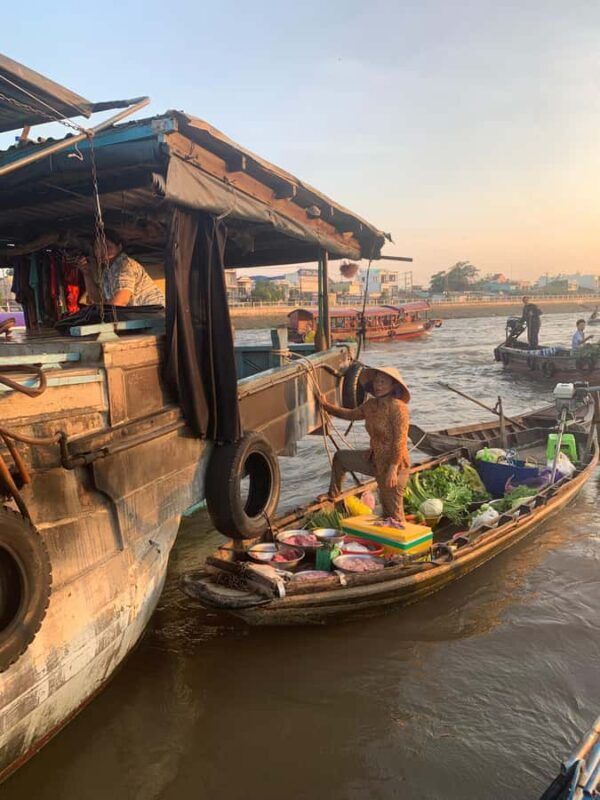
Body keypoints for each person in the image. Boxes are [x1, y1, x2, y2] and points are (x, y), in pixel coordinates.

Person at [317, 366, 411, 523]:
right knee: (340, 458)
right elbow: (349, 414)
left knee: (393, 517)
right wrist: (326, 406)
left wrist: (393, 469)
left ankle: (402, 547)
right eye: (376, 381)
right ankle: (333, 494)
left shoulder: (398, 408)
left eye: (383, 382)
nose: (378, 385)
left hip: (393, 467)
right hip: (374, 460)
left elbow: (400, 441)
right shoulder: (370, 405)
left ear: (393, 386)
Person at [76, 232, 165, 307]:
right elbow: (99, 299)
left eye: (107, 246)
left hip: (154, 316)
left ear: (119, 247)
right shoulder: (107, 270)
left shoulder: (125, 265)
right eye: (97, 248)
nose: (102, 252)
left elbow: (120, 300)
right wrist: (87, 274)